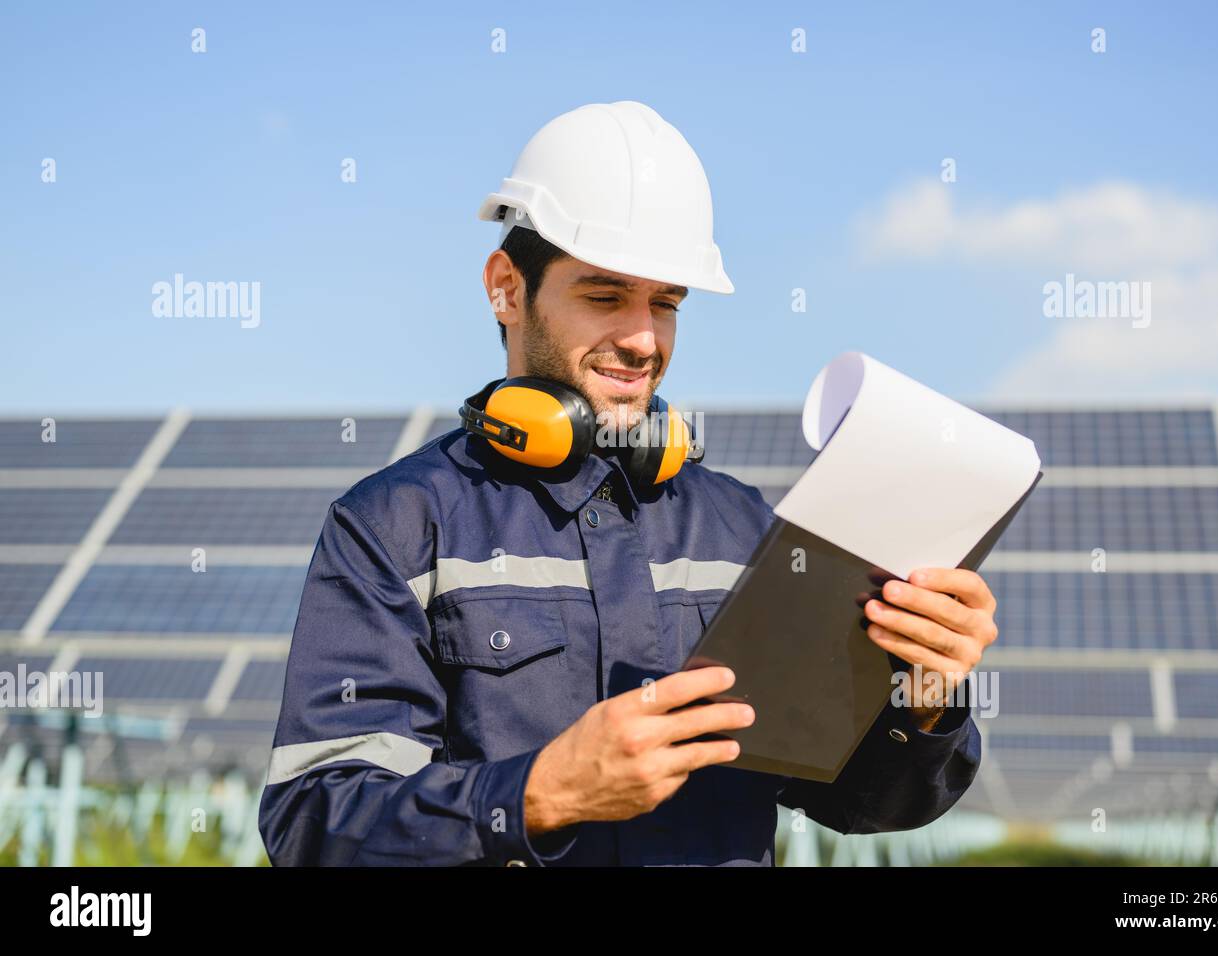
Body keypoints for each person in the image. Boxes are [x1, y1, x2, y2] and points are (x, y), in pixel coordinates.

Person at [258, 101, 997, 866]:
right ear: (507, 288)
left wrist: (925, 692)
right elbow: (314, 822)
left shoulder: (745, 529)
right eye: (605, 296)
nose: (643, 339)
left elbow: (862, 799)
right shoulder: (395, 527)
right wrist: (540, 795)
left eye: (667, 303)